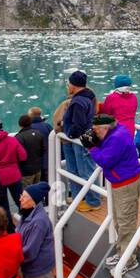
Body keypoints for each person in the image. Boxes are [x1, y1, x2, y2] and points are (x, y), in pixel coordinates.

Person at [84, 112, 140, 273]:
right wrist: (97, 142)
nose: (94, 132)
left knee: (126, 222)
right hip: (120, 182)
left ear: (105, 128)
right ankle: (123, 251)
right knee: (119, 221)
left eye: (96, 131)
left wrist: (92, 147)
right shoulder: (114, 133)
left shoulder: (117, 138)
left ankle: (129, 260)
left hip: (126, 184)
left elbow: (105, 161)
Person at [61, 71, 101, 210]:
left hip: (80, 139)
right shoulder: (88, 97)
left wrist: (70, 134)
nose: (68, 86)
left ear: (74, 85)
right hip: (86, 136)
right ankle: (83, 198)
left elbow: (79, 124)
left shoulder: (78, 101)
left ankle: (94, 202)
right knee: (83, 169)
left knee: (86, 171)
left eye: (69, 83)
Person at [16, 114, 46, 186]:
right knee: (36, 191)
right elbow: (43, 150)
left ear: (20, 124)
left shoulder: (18, 137)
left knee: (27, 193)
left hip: (25, 172)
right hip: (38, 169)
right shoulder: (38, 133)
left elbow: (17, 155)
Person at [28, 106, 53, 177]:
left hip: (35, 164)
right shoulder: (47, 126)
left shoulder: (29, 128)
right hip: (49, 161)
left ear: (30, 116)